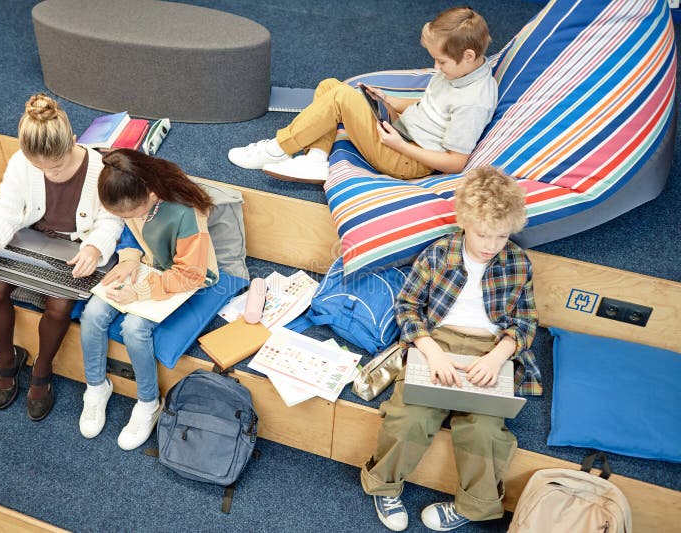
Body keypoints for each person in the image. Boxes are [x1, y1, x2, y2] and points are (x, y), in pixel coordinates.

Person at [360, 166, 542, 531]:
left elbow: (525, 323)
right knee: (409, 416)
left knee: (485, 431)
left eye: (502, 236)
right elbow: (407, 307)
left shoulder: (518, 263)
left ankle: (472, 506)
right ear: (464, 220)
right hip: (438, 341)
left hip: (490, 349)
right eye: (482, 234)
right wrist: (430, 350)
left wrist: (497, 357)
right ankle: (385, 487)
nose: (491, 245)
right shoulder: (439, 254)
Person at [0, 93, 123, 421]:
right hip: (29, 237)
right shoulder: (20, 162)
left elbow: (112, 219)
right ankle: (7, 360)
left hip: (74, 247)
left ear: (72, 140)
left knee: (59, 302)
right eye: (40, 166)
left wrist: (95, 248)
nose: (49, 173)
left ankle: (42, 368)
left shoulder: (100, 168)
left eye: (56, 165)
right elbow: (6, 209)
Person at [228, 7, 497, 184]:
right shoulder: (459, 71)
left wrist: (401, 146)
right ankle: (316, 160)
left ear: (469, 55)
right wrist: (391, 102)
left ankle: (277, 149)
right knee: (329, 86)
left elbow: (455, 162)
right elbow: (434, 107)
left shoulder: (473, 101)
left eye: (441, 62)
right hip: (401, 130)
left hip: (407, 158)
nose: (436, 68)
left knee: (341, 97)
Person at [78, 149, 219, 450]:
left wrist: (140, 292)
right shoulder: (132, 193)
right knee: (92, 315)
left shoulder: (186, 212)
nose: (127, 219)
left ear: (153, 194)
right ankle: (96, 387)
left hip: (181, 279)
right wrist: (128, 259)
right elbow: (131, 233)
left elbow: (192, 274)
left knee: (134, 329)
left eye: (130, 214)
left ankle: (148, 402)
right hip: (145, 267)